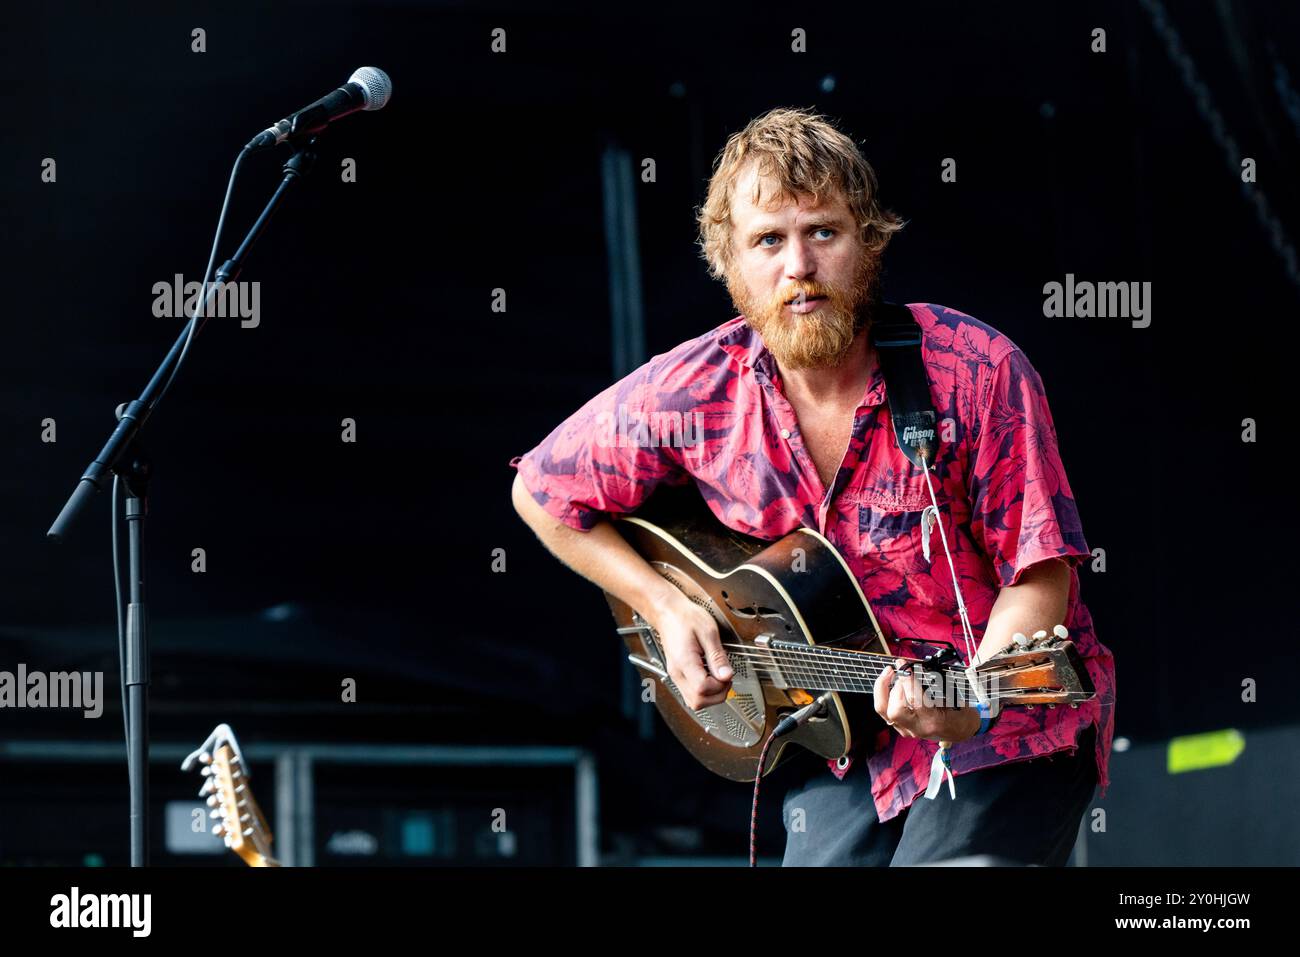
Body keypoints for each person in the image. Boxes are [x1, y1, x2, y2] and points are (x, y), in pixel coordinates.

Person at [510, 106, 1115, 866]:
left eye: (822, 232)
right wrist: (664, 607)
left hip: (1004, 734)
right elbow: (542, 492)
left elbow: (1039, 574)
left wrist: (974, 700)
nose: (798, 266)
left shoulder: (974, 369)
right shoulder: (693, 392)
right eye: (768, 241)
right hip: (840, 739)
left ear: (869, 242)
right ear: (729, 262)